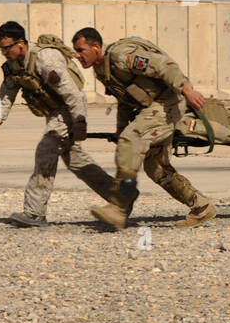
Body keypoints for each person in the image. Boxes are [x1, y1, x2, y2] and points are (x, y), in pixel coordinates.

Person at [70, 28, 218, 230]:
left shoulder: (121, 56)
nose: (77, 55)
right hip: (151, 107)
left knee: (131, 140)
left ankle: (118, 208)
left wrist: (188, 90)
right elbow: (125, 99)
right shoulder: (102, 70)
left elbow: (165, 66)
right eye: (75, 51)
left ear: (96, 47)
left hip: (167, 103)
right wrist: (121, 127)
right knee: (156, 169)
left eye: (80, 50)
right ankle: (202, 207)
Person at [0, 22, 115, 226]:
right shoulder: (13, 65)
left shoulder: (44, 59)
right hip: (54, 111)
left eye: (7, 48)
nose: (4, 53)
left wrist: (80, 121)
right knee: (76, 161)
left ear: (21, 43)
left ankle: (34, 213)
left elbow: (72, 92)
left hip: (68, 108)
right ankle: (120, 197)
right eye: (1, 48)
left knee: (46, 151)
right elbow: (7, 94)